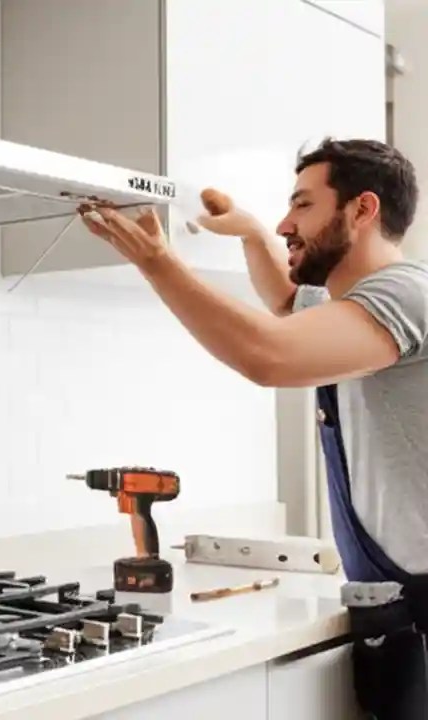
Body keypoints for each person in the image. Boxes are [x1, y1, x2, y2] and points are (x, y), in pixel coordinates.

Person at [78, 137, 428, 719]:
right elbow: (287, 303)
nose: (286, 223)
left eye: (303, 206)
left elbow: (268, 355)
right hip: (399, 602)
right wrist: (249, 235)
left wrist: (156, 261)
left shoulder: (404, 293)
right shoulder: (362, 304)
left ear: (362, 210)